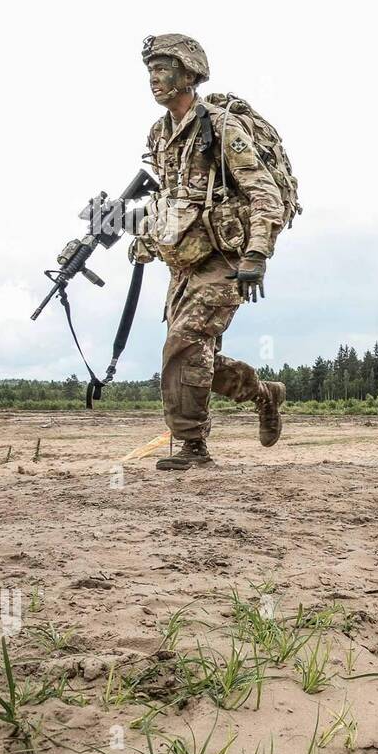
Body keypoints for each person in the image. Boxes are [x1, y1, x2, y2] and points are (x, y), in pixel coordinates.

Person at [129, 34, 286, 471]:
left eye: (163, 69)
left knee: (184, 345)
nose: (154, 79)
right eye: (150, 71)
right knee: (197, 357)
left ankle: (193, 445)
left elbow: (263, 193)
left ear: (190, 73)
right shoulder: (160, 133)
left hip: (223, 261)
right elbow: (171, 199)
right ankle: (263, 393)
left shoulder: (221, 128)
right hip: (183, 264)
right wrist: (143, 239)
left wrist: (256, 254)